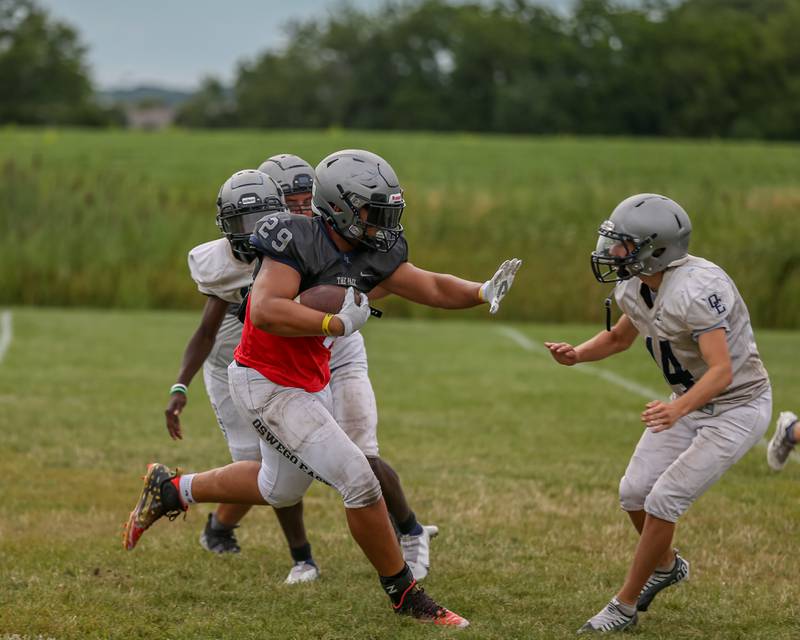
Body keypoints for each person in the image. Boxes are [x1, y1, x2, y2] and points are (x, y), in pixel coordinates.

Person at [125, 149, 522, 627]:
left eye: (387, 214)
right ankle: (407, 597)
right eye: (373, 214)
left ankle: (171, 489)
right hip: (264, 380)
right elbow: (267, 309)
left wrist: (481, 291)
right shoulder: (294, 239)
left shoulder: (373, 249)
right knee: (357, 477)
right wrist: (332, 322)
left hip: (307, 378)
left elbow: (431, 286)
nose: (383, 225)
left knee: (277, 488)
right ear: (339, 207)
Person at [168, 152, 441, 582]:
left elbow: (371, 281)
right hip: (250, 367)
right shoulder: (227, 260)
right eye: (289, 202)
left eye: (301, 200)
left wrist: (345, 310)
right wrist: (179, 385)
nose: (298, 211)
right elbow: (209, 330)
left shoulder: (312, 241)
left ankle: (407, 531)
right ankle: (264, 542)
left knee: (354, 457)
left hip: (325, 350)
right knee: (268, 475)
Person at [545, 194, 771, 634]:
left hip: (736, 407)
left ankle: (624, 605)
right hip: (688, 402)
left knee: (664, 499)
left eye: (623, 244)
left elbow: (722, 371)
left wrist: (677, 410)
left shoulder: (698, 290)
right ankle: (666, 566)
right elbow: (618, 338)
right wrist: (578, 354)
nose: (611, 252)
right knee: (633, 493)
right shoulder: (635, 284)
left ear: (657, 249)